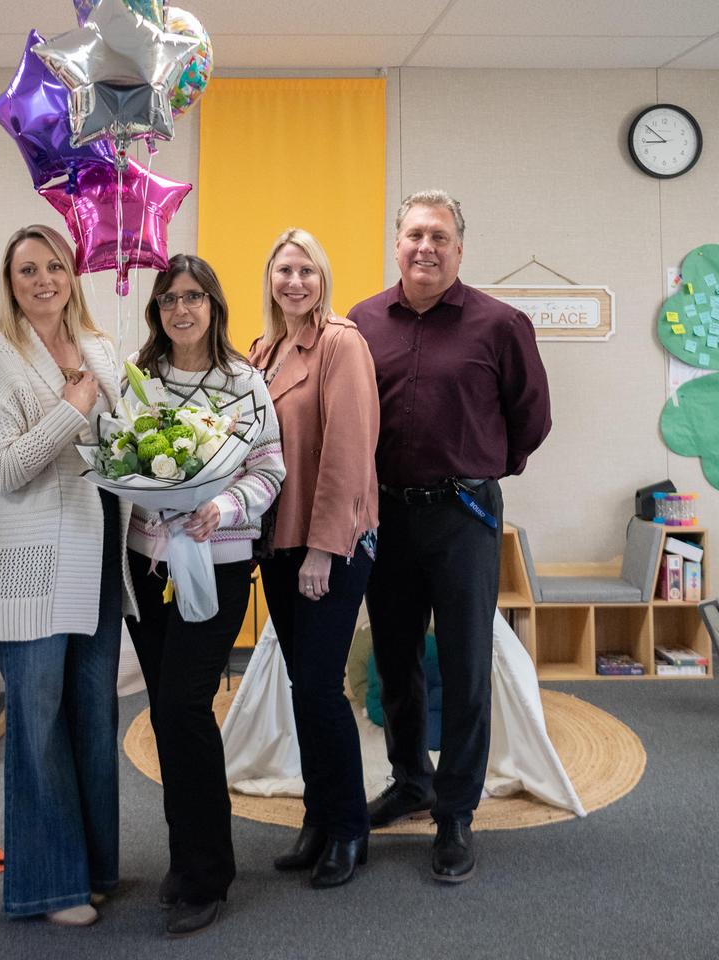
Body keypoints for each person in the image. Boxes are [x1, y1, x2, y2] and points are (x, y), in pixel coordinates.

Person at [348, 189, 551, 883]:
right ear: (396, 243)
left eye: (439, 236)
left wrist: (484, 468)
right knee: (395, 660)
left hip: (464, 516)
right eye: (414, 234)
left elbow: (532, 418)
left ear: (459, 248)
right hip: (388, 517)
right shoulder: (362, 323)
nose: (425, 247)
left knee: (465, 667)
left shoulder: (500, 324)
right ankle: (412, 781)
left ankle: (456, 812)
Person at [0, 224, 136, 927]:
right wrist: (74, 409)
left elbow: (115, 447)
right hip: (27, 565)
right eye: (27, 270)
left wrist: (123, 416)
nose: (43, 280)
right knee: (37, 718)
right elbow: (0, 469)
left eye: (54, 267)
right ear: (11, 283)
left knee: (95, 713)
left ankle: (92, 867)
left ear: (72, 274)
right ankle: (47, 884)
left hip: (94, 555)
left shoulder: (100, 348)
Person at [125, 255, 285, 938]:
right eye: (168, 300)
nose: (180, 310)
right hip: (145, 565)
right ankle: (182, 852)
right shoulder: (140, 379)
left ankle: (209, 871)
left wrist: (224, 503)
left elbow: (270, 468)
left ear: (215, 306)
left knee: (188, 706)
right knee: (166, 711)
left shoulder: (243, 383)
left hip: (216, 566)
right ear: (157, 311)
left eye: (193, 298)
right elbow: (115, 454)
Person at [248, 228, 380, 890]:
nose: (294, 281)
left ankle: (350, 828)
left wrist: (326, 549)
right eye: (283, 270)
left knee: (322, 689)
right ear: (269, 279)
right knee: (304, 688)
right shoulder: (263, 351)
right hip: (278, 544)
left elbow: (348, 454)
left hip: (326, 545)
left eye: (306, 270)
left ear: (322, 277)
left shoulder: (340, 343)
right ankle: (318, 816)